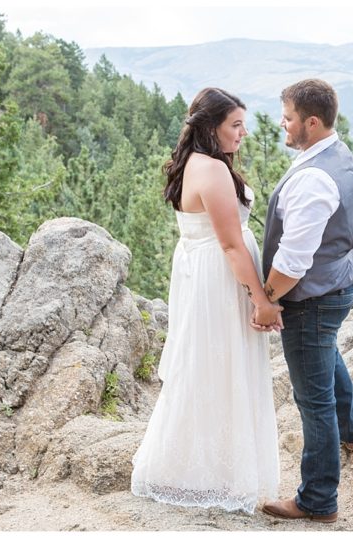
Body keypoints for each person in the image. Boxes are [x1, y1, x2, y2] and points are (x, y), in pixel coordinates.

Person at [130, 87, 281, 515]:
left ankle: (210, 467)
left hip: (205, 275)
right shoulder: (212, 170)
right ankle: (211, 474)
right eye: (235, 125)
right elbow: (232, 245)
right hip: (218, 280)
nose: (244, 133)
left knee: (209, 366)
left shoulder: (198, 165)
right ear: (211, 128)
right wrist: (262, 300)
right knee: (221, 366)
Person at [258, 79, 353, 523]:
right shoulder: (333, 153)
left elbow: (294, 260)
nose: (282, 124)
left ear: (312, 122)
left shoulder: (313, 179)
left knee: (313, 400)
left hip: (312, 296)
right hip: (336, 284)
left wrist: (267, 299)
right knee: (327, 353)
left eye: (288, 118)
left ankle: (318, 499)